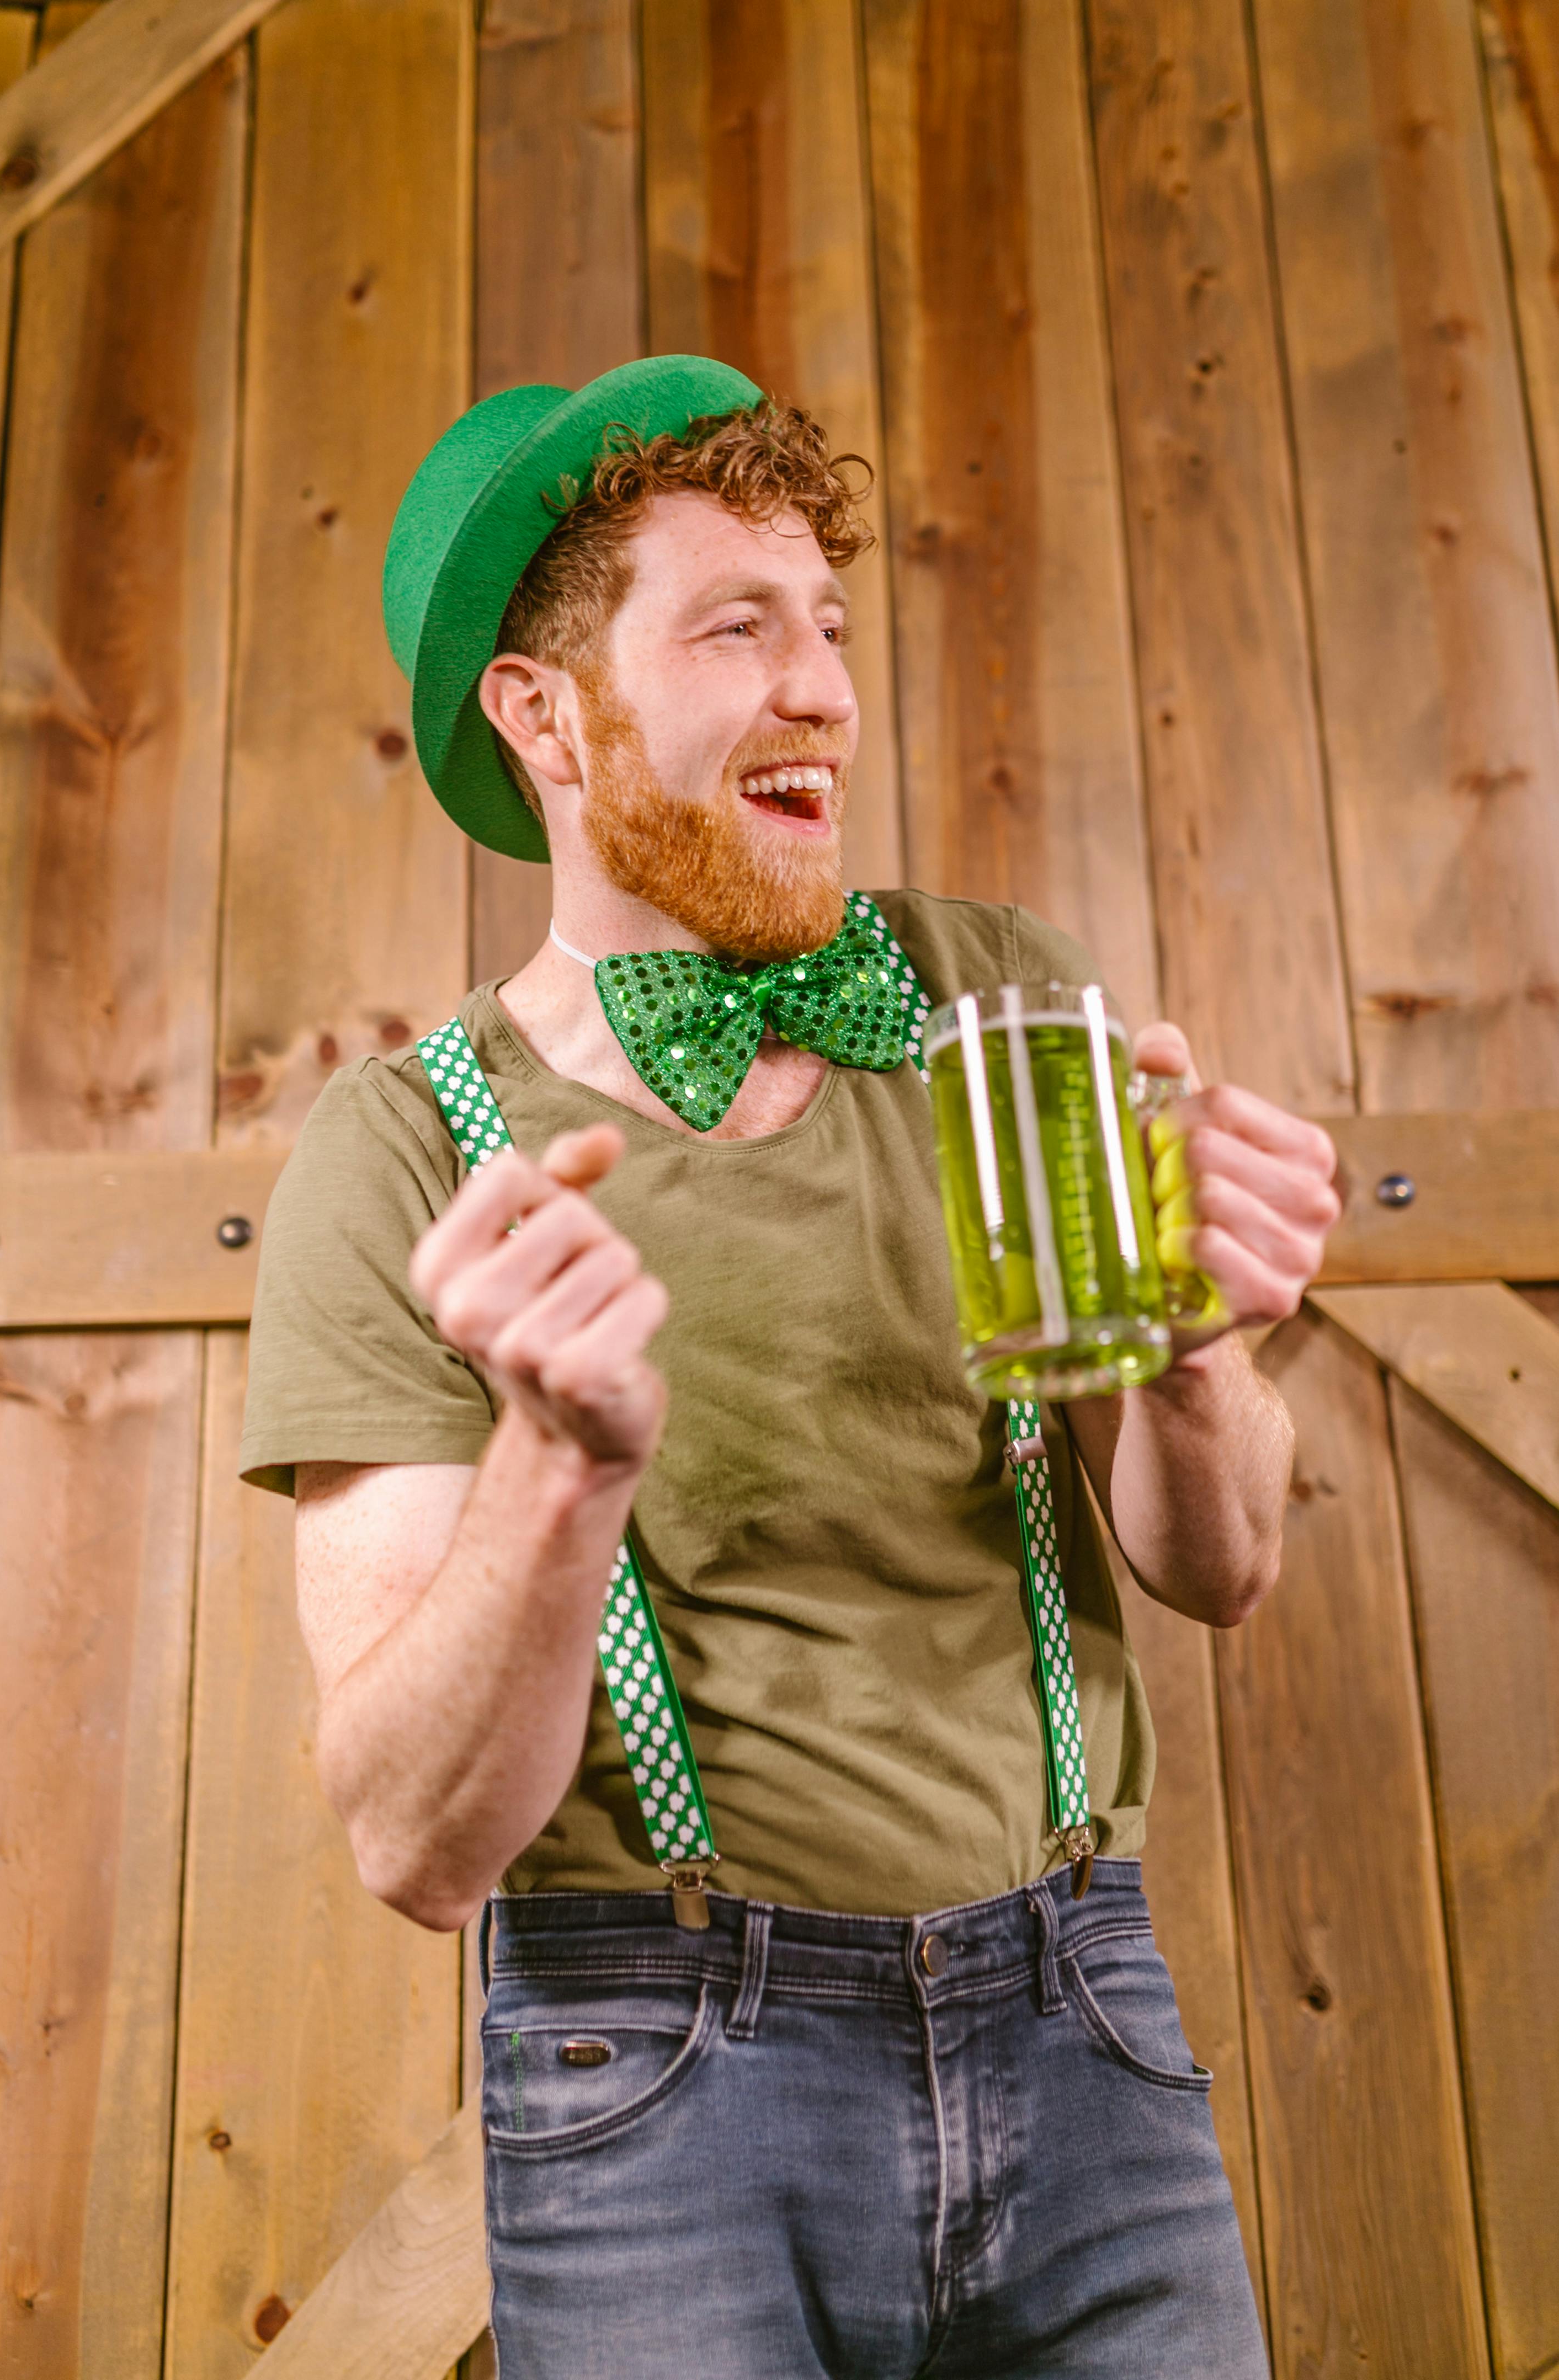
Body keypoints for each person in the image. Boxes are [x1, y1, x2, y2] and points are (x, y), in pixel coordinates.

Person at [240, 356, 1339, 2377]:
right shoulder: (401, 1154)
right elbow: (412, 1843)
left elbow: (1221, 1559)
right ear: (545, 712)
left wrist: (1191, 1349)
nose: (824, 687)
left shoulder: (992, 1001)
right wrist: (558, 1470)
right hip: (663, 2067)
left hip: (1078, 2006)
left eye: (825, 626)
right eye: (736, 628)